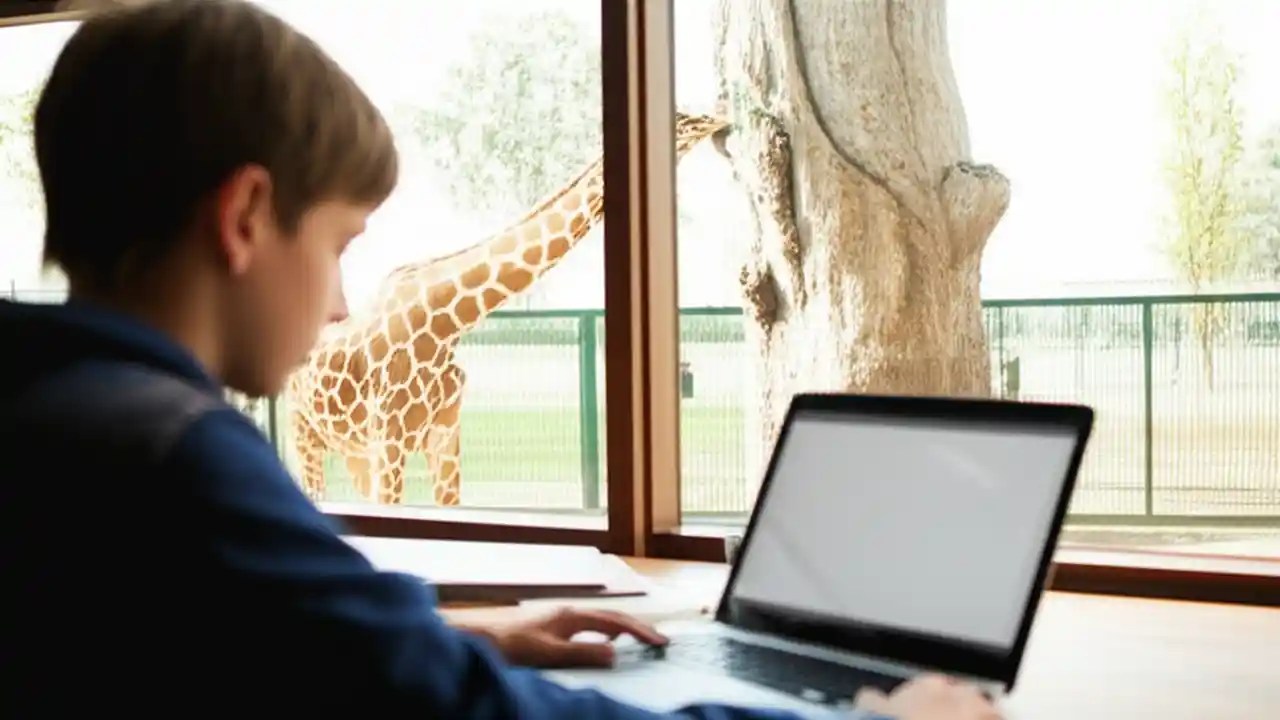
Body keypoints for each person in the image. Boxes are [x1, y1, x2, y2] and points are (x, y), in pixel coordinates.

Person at [0, 1, 1002, 718]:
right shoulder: (177, 464)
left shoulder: (46, 408)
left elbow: (226, 645)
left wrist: (456, 636)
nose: (344, 302)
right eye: (340, 245)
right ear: (246, 216)